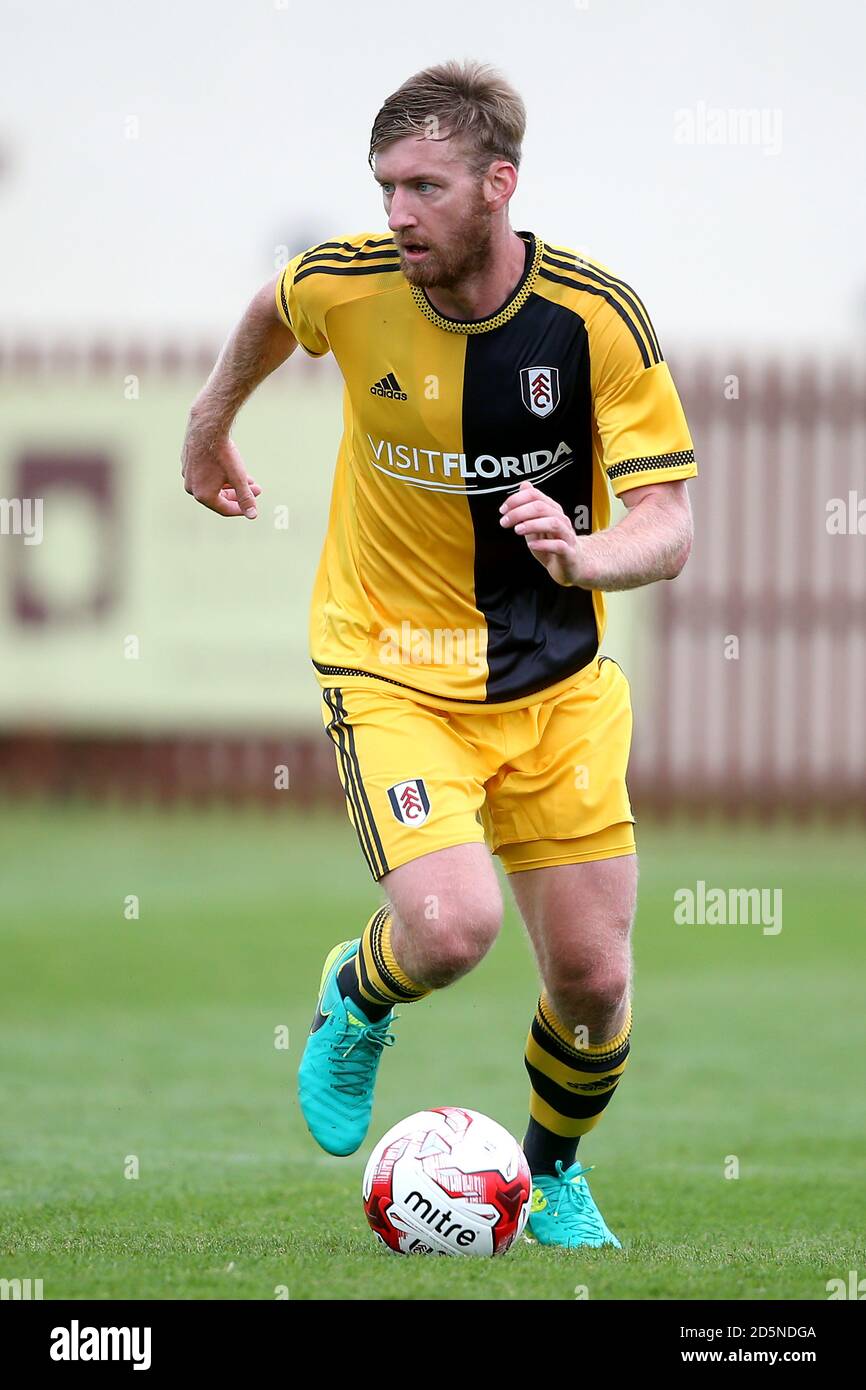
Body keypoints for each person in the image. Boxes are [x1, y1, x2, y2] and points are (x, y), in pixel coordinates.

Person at [181, 59, 697, 1250]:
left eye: (422, 186)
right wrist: (209, 425)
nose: (396, 213)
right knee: (454, 928)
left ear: (496, 185)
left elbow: (666, 528)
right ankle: (357, 998)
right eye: (384, 186)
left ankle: (550, 1171)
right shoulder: (350, 285)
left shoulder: (593, 323)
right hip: (390, 666)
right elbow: (273, 309)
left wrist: (584, 554)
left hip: (555, 685)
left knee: (590, 983)